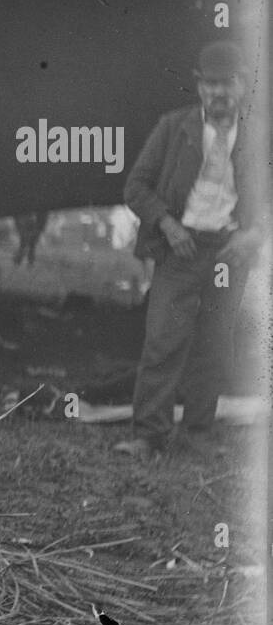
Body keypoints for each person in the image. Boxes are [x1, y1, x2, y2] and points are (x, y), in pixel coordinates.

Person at [115, 41, 267, 458]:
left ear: (241, 85)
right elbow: (135, 187)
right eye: (211, 84)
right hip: (179, 249)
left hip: (228, 252)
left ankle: (198, 434)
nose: (219, 93)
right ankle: (149, 436)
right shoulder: (173, 127)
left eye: (227, 83)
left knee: (216, 345)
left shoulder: (259, 136)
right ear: (199, 87)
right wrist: (167, 223)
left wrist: (254, 233)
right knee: (164, 338)